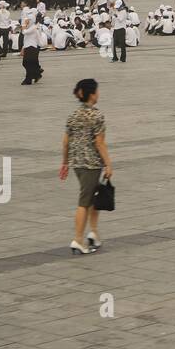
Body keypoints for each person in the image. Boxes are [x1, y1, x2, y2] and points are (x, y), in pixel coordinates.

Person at [58, 79, 112, 255]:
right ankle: (78, 239)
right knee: (84, 202)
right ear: (92, 94)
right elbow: (100, 143)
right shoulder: (97, 116)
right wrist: (109, 164)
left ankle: (94, 233)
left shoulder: (73, 115)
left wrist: (65, 162)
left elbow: (65, 142)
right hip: (91, 164)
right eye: (97, 91)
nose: (98, 94)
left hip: (77, 163)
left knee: (92, 198)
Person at [20, 11, 43, 85]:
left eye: (28, 20)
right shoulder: (31, 26)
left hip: (32, 47)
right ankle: (37, 74)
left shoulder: (34, 27)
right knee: (26, 63)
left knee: (27, 63)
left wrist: (23, 25)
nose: (26, 21)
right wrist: (23, 47)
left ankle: (28, 79)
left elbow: (24, 32)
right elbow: (26, 38)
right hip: (28, 46)